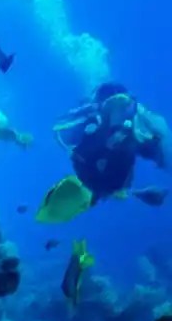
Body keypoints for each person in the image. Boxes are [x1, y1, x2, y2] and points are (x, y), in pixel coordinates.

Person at [39, 83, 171, 220]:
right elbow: (60, 133)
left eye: (123, 108)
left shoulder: (135, 130)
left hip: (100, 183)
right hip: (93, 182)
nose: (117, 114)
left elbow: (161, 151)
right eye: (113, 107)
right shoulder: (90, 125)